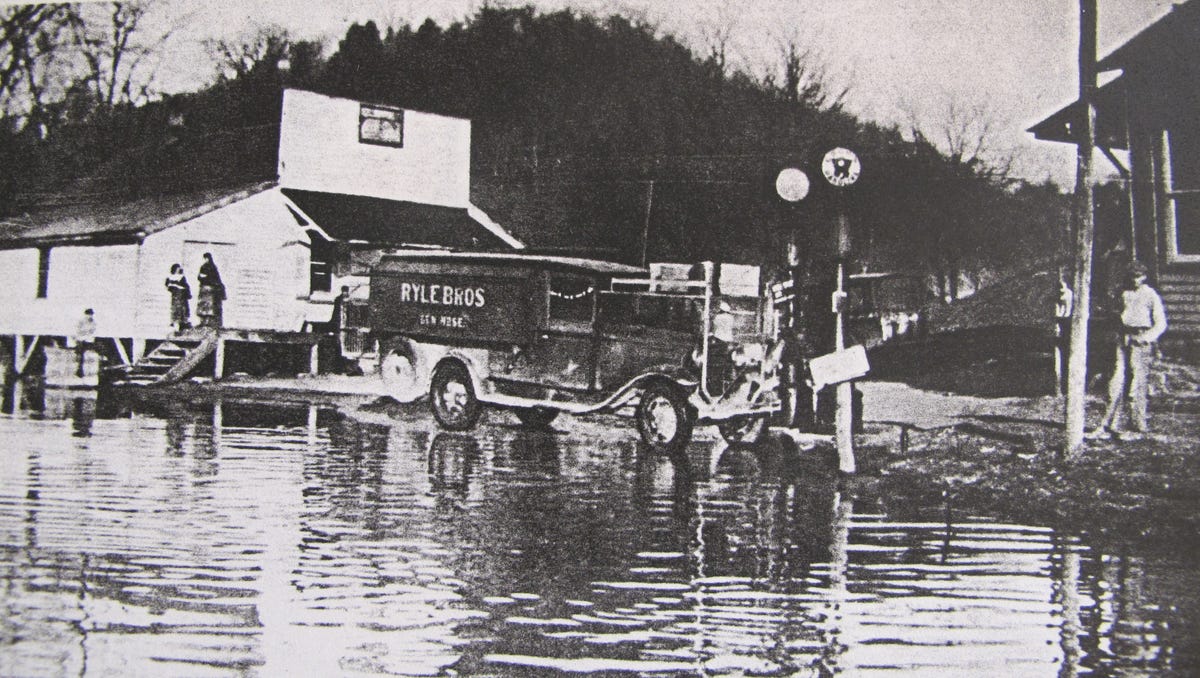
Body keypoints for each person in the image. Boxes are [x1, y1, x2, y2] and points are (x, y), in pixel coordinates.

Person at [1088, 261, 1168, 441]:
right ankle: (1107, 425)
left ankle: (1137, 426)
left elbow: (1161, 323)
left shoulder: (1150, 295)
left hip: (1140, 339)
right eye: (1132, 276)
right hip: (1122, 337)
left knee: (1137, 383)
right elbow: (1115, 314)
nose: (1135, 280)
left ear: (1144, 277)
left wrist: (1146, 338)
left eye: (1138, 276)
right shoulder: (1122, 293)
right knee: (1115, 381)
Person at [196, 252, 226, 328]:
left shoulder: (213, 267)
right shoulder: (203, 267)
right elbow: (199, 277)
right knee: (203, 305)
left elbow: (215, 278)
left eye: (207, 258)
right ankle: (203, 321)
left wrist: (207, 278)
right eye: (205, 258)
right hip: (204, 288)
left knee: (209, 306)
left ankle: (209, 321)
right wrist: (202, 277)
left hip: (210, 288)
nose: (206, 260)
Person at [165, 263, 191, 333]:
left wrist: (177, 286)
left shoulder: (181, 277)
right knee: (175, 311)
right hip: (174, 296)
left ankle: (181, 326)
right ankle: (175, 326)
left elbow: (185, 286)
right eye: (177, 268)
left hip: (181, 296)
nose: (178, 270)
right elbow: (167, 286)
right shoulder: (170, 277)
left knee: (181, 311)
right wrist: (172, 286)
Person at [73, 308, 97, 377]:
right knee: (80, 356)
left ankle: (83, 370)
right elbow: (77, 331)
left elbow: (93, 331)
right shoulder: (81, 321)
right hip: (81, 340)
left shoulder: (93, 322)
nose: (90, 316)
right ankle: (79, 371)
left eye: (91, 315)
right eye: (89, 314)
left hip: (88, 340)